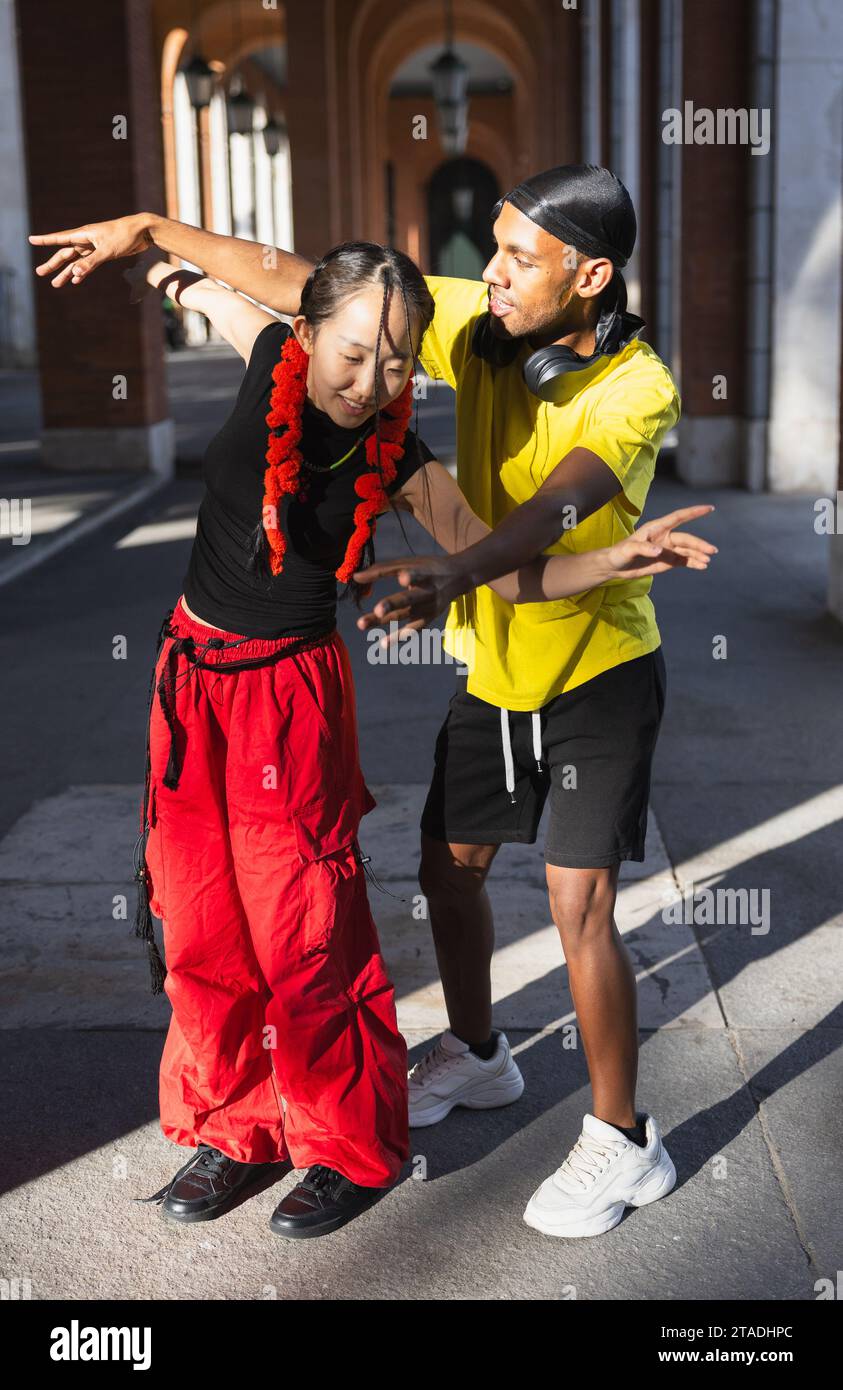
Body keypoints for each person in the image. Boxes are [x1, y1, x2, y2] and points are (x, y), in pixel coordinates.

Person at [30, 172, 715, 1242]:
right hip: (193, 679)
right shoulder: (282, 349)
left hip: (329, 689)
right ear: (309, 335)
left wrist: (613, 559)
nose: (373, 377)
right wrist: (151, 248)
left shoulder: (408, 447)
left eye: (398, 362)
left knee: (310, 932)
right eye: (354, 353)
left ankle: (372, 1141)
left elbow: (526, 544)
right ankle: (234, 1124)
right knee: (203, 920)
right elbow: (242, 281)